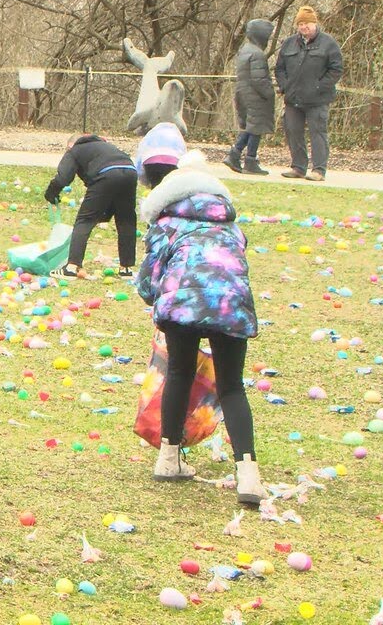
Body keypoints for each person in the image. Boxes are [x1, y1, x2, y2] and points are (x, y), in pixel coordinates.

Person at [136, 149, 262, 505]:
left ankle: (169, 457)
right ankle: (248, 476)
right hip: (231, 306)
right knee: (232, 387)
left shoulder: (166, 224)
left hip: (183, 305)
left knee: (179, 372)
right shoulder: (232, 227)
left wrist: (159, 298)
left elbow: (148, 283)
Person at [42, 133, 138, 280]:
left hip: (105, 175)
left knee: (84, 220)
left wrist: (51, 193)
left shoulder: (75, 150)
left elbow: (63, 177)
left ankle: (71, 267)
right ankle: (126, 269)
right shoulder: (106, 146)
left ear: (70, 146)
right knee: (126, 220)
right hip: (130, 171)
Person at [274, 6, 343, 181]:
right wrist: (284, 86)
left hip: (317, 100)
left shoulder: (328, 43)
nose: (304, 27)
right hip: (293, 98)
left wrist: (319, 86)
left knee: (318, 133)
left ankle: (319, 170)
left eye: (307, 23)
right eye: (301, 23)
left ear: (315, 23)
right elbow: (280, 68)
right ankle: (298, 167)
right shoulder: (289, 43)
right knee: (293, 131)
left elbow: (336, 69)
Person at [225, 19, 275, 176]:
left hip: (244, 93)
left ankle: (235, 153)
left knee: (250, 127)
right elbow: (259, 79)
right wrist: (270, 92)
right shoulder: (257, 54)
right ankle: (250, 160)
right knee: (256, 128)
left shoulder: (245, 50)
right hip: (255, 96)